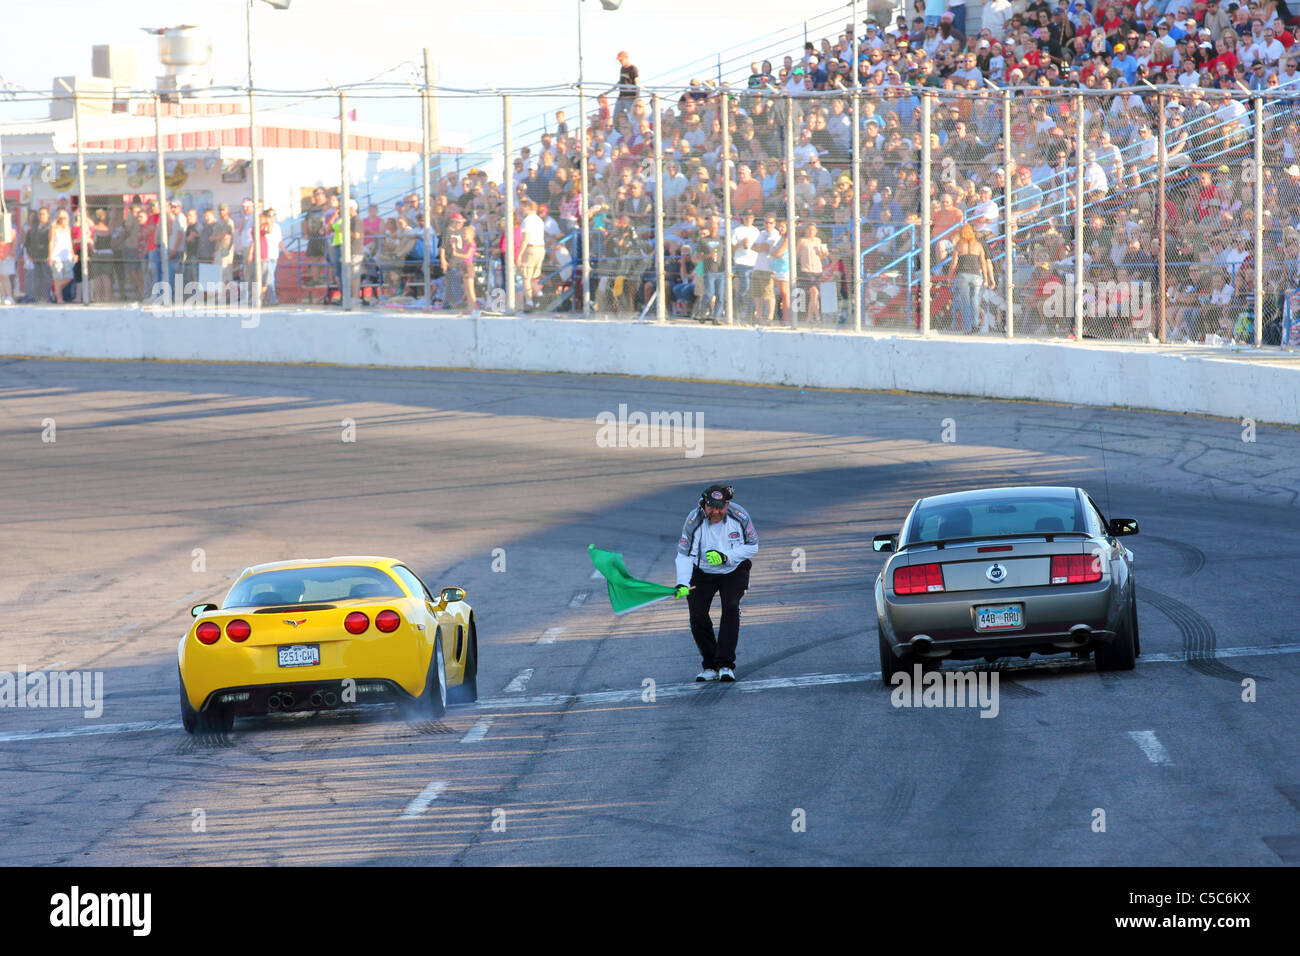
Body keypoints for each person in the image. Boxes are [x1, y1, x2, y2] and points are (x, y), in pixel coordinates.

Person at [674, 483, 759, 683]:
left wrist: (725, 557)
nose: (715, 511)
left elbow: (753, 546)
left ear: (727, 504)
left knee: (731, 607)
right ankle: (710, 665)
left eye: (720, 507)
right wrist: (682, 583)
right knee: (697, 615)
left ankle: (726, 665)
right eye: (711, 506)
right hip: (702, 571)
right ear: (704, 504)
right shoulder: (694, 520)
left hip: (733, 568)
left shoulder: (740, 516)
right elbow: (685, 555)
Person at [948, 224, 994, 333]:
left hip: (963, 275)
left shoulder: (959, 245)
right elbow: (983, 263)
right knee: (974, 300)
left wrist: (949, 277)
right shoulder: (978, 245)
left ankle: (967, 328)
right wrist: (986, 279)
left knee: (965, 302)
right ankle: (975, 323)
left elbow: (954, 264)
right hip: (976, 276)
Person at [24, 207, 52, 303]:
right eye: (40, 214)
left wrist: (49, 255)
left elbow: (51, 242)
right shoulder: (34, 227)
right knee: (36, 277)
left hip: (45, 257)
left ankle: (45, 298)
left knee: (46, 277)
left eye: (44, 214)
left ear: (48, 215)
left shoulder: (50, 227)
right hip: (35, 257)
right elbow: (27, 242)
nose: (41, 216)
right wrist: (30, 254)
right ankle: (37, 297)